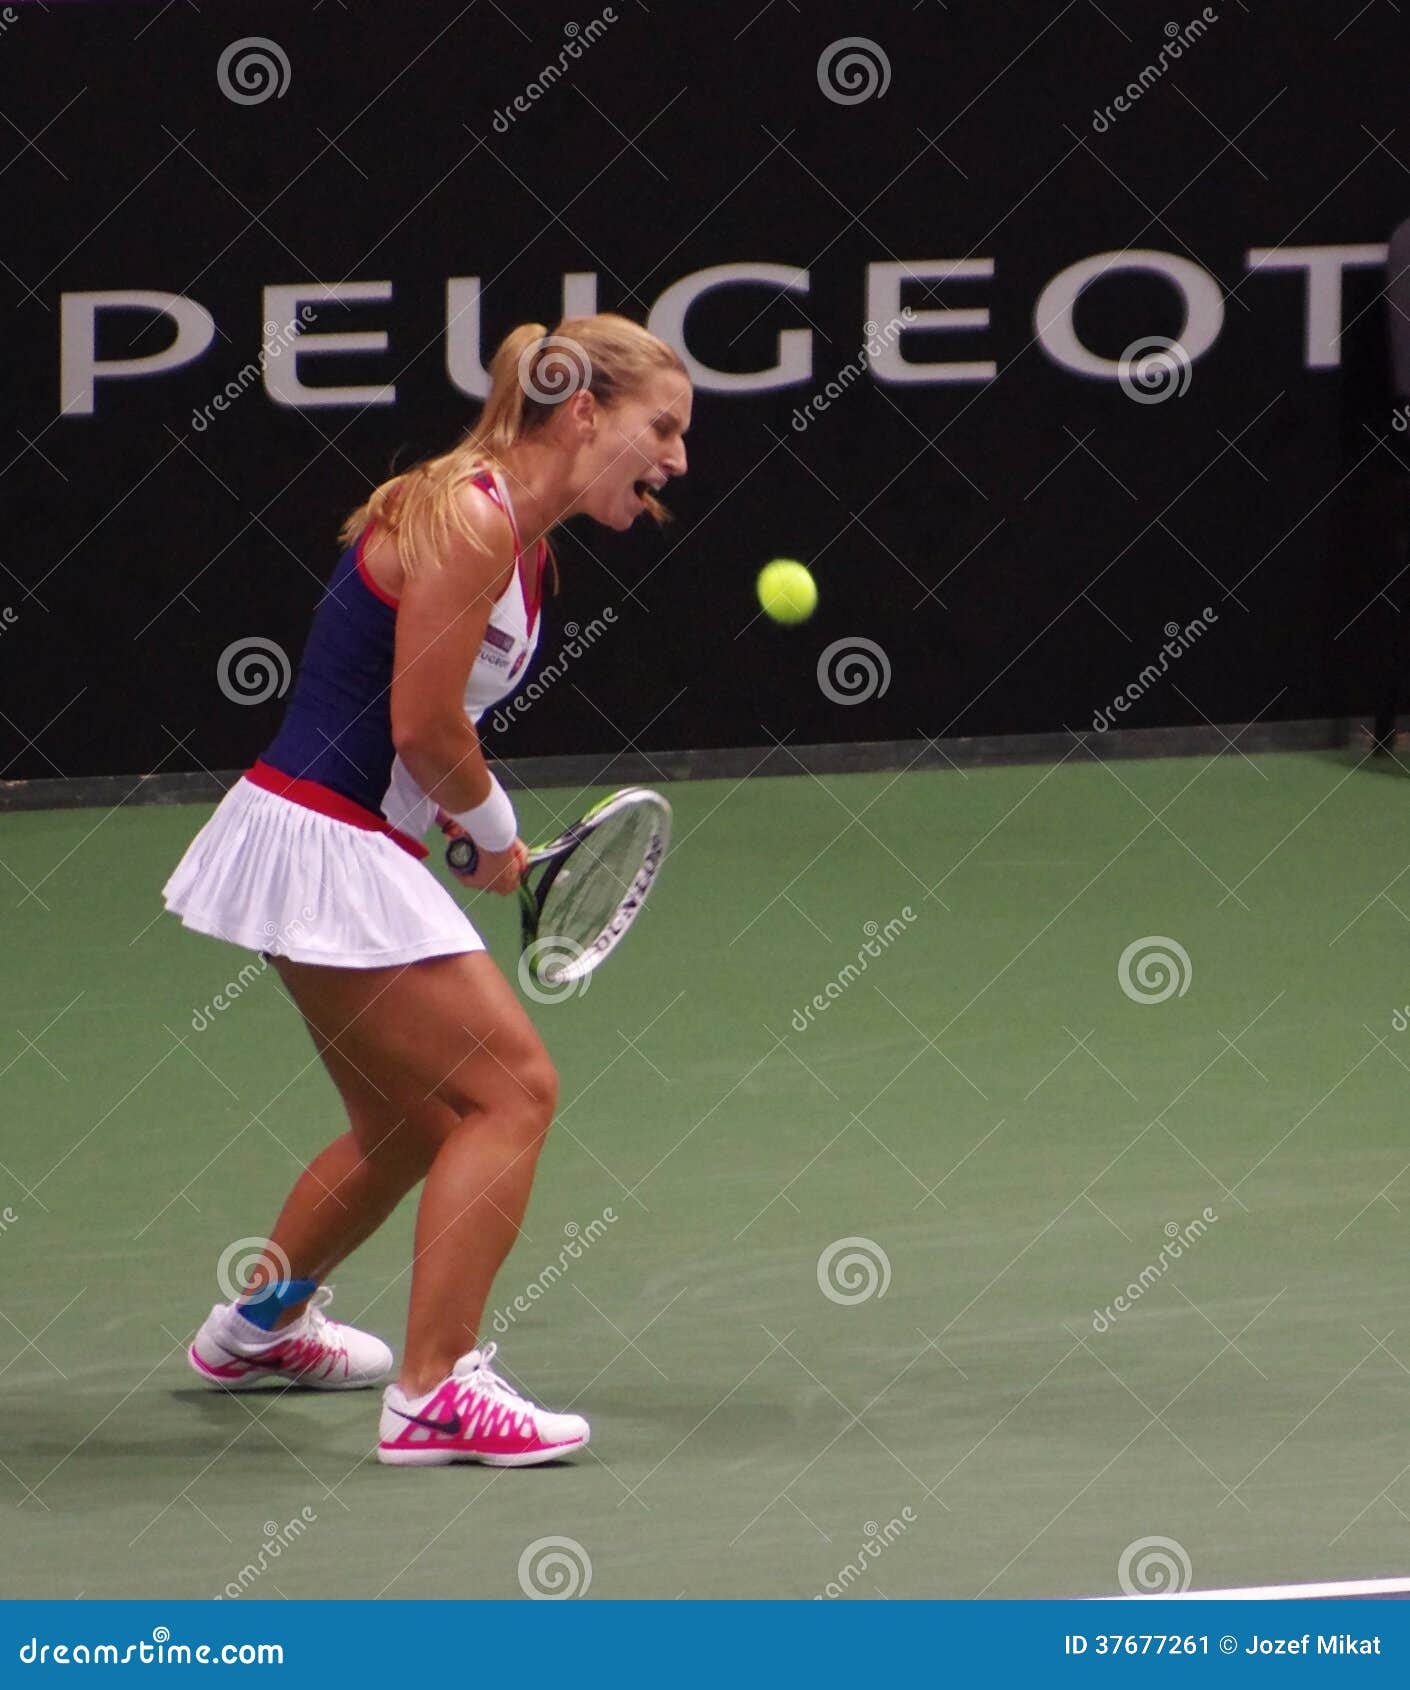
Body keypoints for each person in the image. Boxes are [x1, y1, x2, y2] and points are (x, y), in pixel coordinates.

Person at [163, 315, 691, 1467]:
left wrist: (452, 820)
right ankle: (436, 1389)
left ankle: (256, 1328)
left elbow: (416, 733)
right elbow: (423, 722)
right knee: (513, 1092)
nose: (677, 460)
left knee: (404, 1122)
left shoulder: (524, 543)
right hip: (320, 836)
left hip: (354, 838)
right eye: (663, 427)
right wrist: (496, 828)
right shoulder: (471, 513)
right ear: (584, 412)